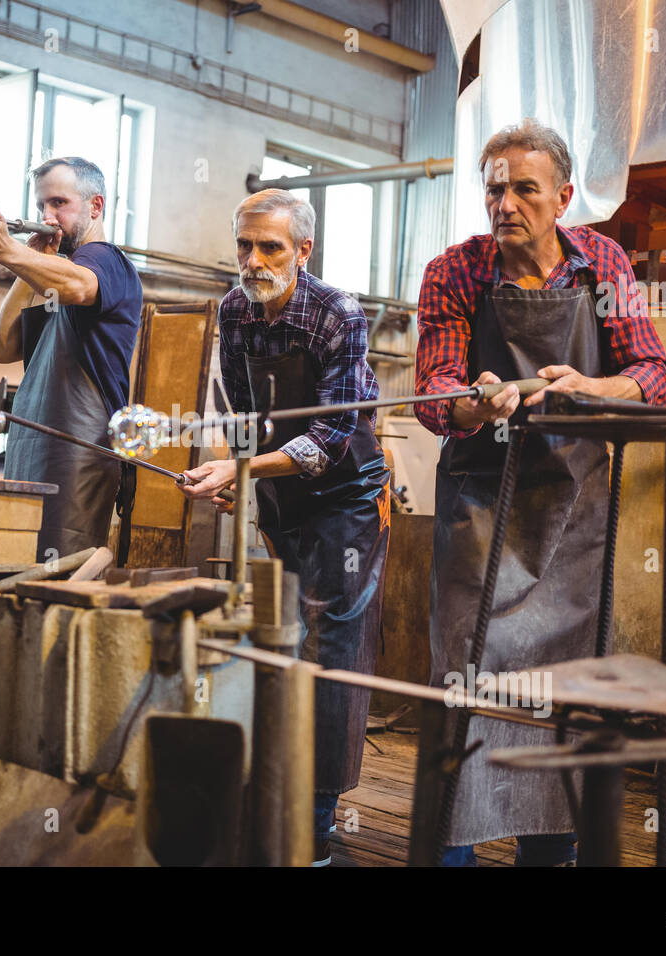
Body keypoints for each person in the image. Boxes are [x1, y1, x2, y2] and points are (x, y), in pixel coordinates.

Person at [414, 118, 666, 866]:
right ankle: (449, 852)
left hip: (573, 522)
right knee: (466, 683)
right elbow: (435, 394)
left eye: (524, 189)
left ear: (562, 197)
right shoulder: (455, 272)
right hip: (481, 514)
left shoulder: (603, 264)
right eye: (494, 188)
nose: (505, 204)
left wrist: (595, 386)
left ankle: (548, 853)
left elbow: (655, 376)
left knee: (560, 698)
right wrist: (473, 399)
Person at [179, 189, 390, 867]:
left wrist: (245, 472)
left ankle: (316, 830)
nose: (252, 260)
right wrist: (243, 472)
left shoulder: (338, 313)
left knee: (331, 650)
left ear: (303, 250)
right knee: (285, 639)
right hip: (282, 493)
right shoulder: (234, 309)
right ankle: (273, 799)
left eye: (270, 247)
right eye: (245, 245)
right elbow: (246, 417)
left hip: (347, 495)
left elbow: (330, 435)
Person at [0, 156, 142, 559]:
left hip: (77, 454)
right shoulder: (52, 277)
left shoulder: (106, 261)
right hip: (30, 446)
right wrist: (23, 264)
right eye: (42, 205)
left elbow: (80, 287)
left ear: (95, 206)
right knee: (16, 563)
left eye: (59, 203)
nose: (48, 215)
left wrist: (9, 251)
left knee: (62, 571)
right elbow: (2, 347)